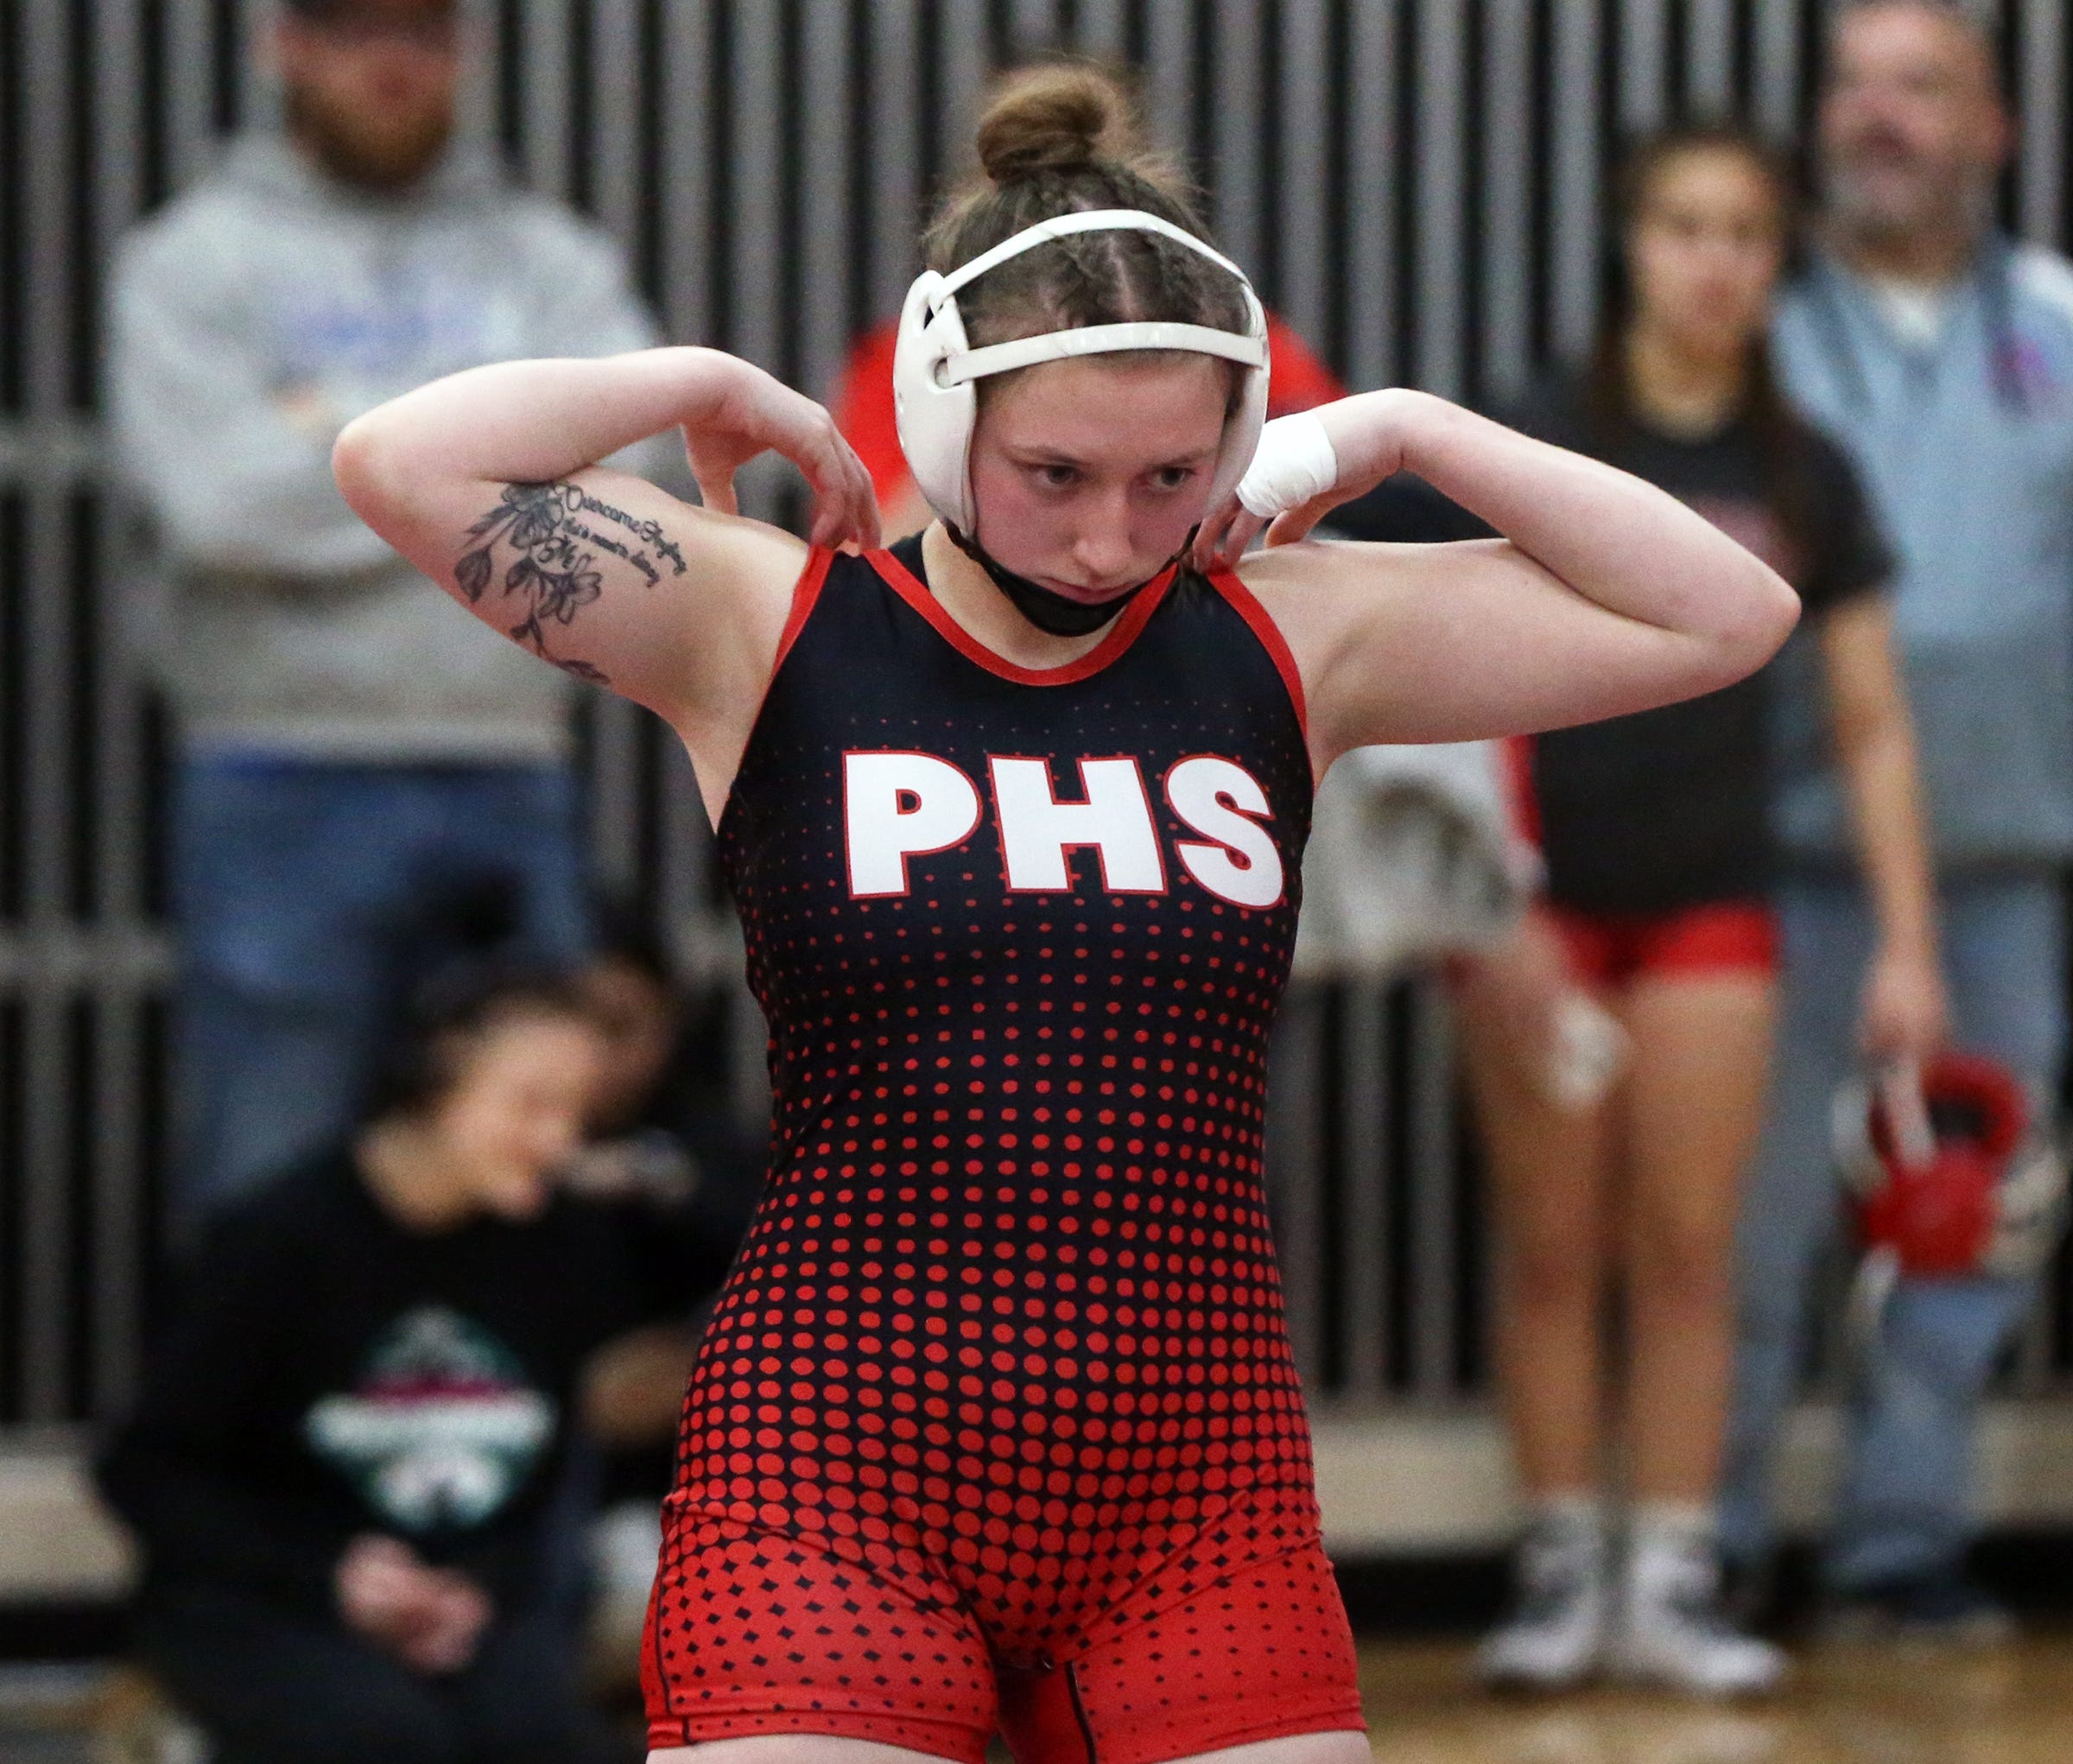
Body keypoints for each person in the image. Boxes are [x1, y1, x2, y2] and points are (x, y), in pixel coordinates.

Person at [333, 60, 1797, 1764]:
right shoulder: (766, 619)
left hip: (1200, 1499)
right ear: (946, 419)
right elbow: (397, 464)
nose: (1113, 536)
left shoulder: (1292, 629)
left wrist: (1409, 432)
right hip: (830, 1483)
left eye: (1174, 475)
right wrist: (693, 379)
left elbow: (1730, 612)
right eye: (1053, 474)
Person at [1334, 125, 1943, 1696]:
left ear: (1775, 261)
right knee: (1551, 1244)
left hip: (1710, 903)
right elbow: (1412, 686)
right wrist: (1492, 917)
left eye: (1745, 231)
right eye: (1684, 225)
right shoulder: (1537, 436)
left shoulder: (1806, 467)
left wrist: (1911, 943)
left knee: (1691, 1246)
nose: (1714, 260)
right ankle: (1555, 1571)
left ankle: (1670, 1573)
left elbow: (1871, 723)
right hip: (1537, 909)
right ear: (1633, 244)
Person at [106, 0, 666, 1223]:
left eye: (422, 29)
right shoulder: (193, 260)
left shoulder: (550, 258)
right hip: (275, 775)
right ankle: (258, 1426)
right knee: (271, 1175)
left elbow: (646, 483)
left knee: (530, 1173)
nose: (392, 61)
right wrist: (496, 441)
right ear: (282, 45)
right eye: (353, 27)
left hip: (513, 763)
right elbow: (217, 507)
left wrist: (336, 426)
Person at [1721, 0, 2073, 1640]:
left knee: (1967, 1223)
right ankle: (1706, 1546)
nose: (1877, 116)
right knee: (1746, 1215)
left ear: (1993, 128)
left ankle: (1897, 1549)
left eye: (1919, 88)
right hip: (1776, 852)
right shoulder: (1756, 324)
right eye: (1854, 86)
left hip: (2005, 856)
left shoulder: (2063, 321)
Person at [96, 933, 734, 1764]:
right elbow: (144, 1469)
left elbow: (771, 1246)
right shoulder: (281, 1242)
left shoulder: (561, 1239)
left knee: (546, 1740)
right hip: (270, 1600)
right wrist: (329, 1573)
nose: (557, 1142)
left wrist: (475, 1589)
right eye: (530, 1105)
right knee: (387, 1740)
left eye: (577, 1114)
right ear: (435, 1080)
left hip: (471, 1601)